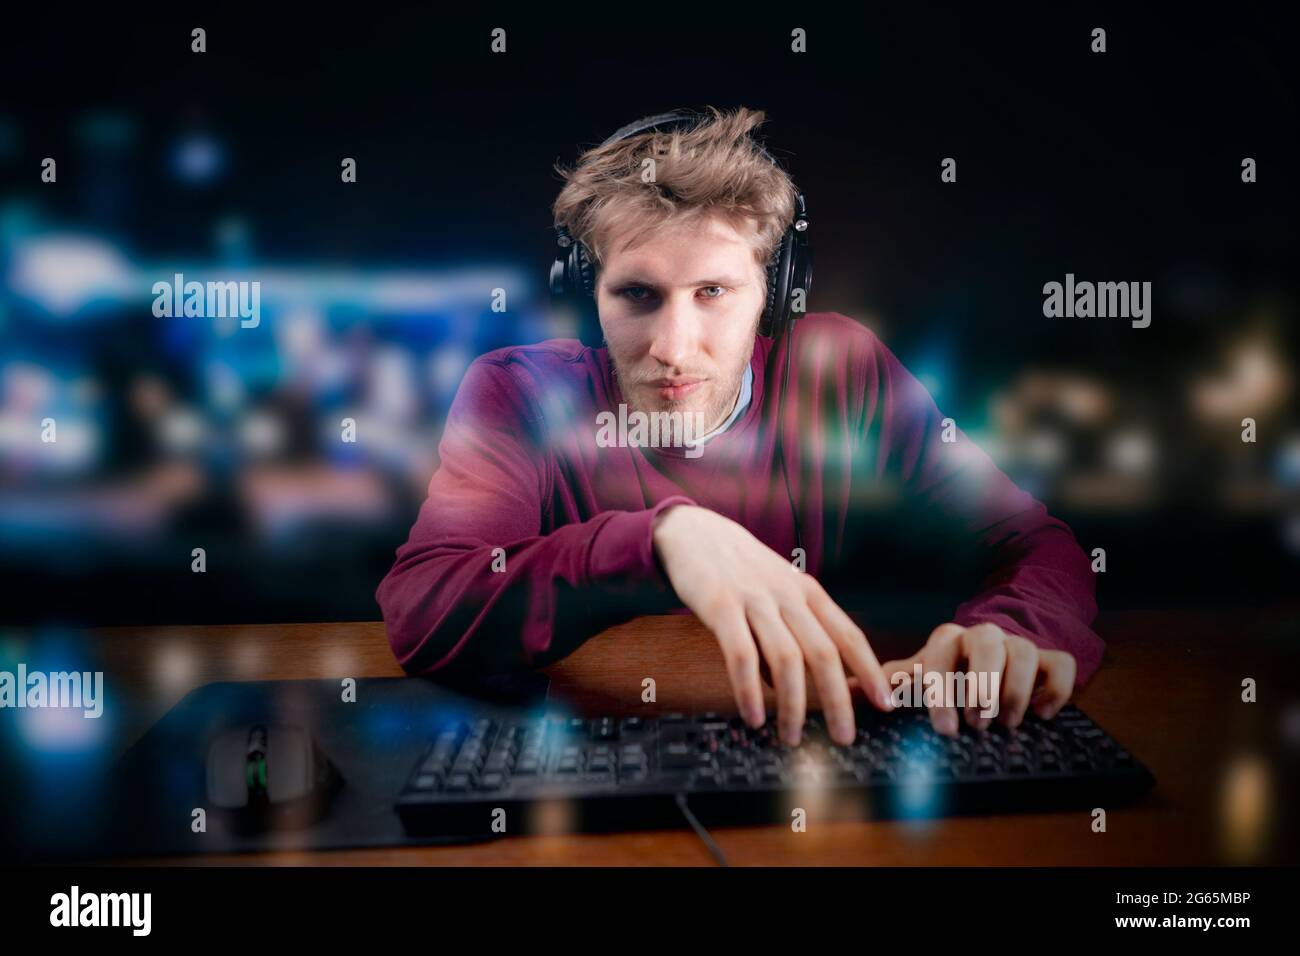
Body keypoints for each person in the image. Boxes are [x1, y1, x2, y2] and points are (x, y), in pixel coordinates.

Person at [377, 106, 1101, 747]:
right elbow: (427, 605)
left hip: (807, 761)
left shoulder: (840, 368)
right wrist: (660, 539)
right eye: (637, 293)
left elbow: (1034, 545)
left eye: (714, 292)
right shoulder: (520, 393)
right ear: (584, 293)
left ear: (776, 294)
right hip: (590, 762)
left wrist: (1010, 636)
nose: (673, 347)